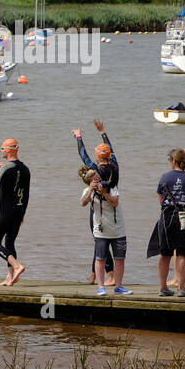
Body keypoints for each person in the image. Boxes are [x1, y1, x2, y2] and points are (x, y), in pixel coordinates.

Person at [149, 148, 185, 297]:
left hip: (166, 217)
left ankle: (163, 288)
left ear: (173, 161)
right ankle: (182, 289)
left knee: (165, 254)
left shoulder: (164, 177)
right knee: (182, 253)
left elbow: (161, 199)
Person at [0, 138, 30, 285]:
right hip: (19, 210)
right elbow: (26, 194)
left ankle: (17, 266)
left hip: (6, 211)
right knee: (9, 243)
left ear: (9, 150)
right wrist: (23, 213)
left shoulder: (6, 168)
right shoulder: (25, 169)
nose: (1, 151)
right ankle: (10, 277)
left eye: (2, 149)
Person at [74, 121, 118, 282]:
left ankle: (111, 274)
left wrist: (78, 137)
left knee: (100, 240)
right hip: (113, 204)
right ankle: (93, 274)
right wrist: (102, 132)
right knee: (99, 239)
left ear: (98, 156)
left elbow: (82, 154)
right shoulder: (115, 165)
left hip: (99, 207)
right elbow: (111, 150)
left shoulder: (97, 169)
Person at [80, 168, 129, 295]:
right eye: (95, 180)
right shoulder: (87, 191)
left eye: (99, 178)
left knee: (120, 259)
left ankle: (119, 286)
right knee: (100, 259)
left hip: (118, 230)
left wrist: (104, 193)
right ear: (90, 182)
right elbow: (83, 203)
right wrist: (91, 189)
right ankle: (101, 287)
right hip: (101, 231)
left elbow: (115, 203)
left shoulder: (111, 187)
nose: (99, 181)